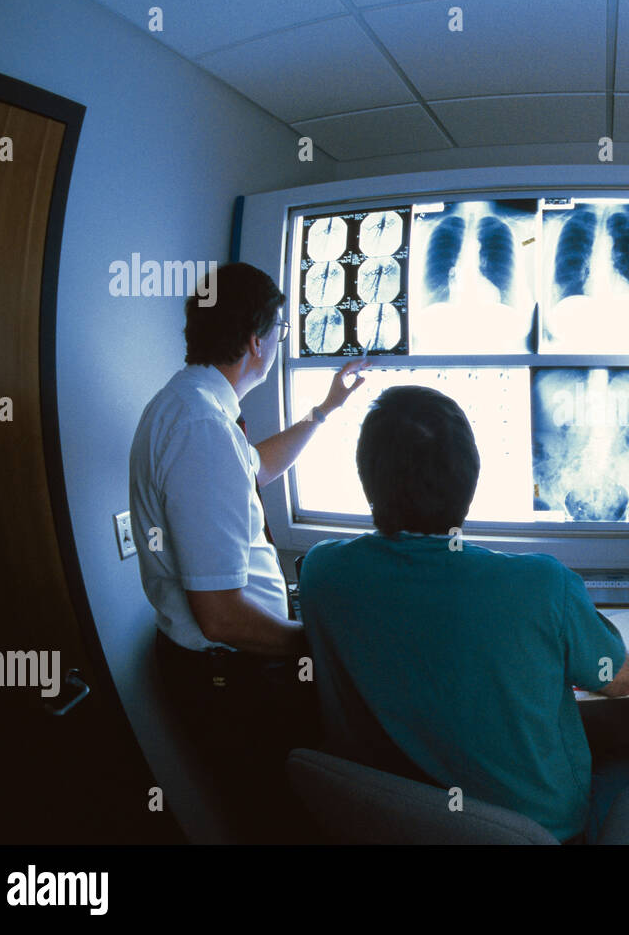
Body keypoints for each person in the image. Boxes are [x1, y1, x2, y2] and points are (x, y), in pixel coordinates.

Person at [298, 385, 629, 843]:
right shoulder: (542, 584)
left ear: (366, 479)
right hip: (539, 832)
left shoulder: (322, 571)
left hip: (396, 823)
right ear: (471, 481)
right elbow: (619, 680)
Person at [129, 262, 366, 840]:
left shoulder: (192, 408)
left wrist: (324, 411)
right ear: (257, 342)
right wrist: (313, 643)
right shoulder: (201, 429)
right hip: (232, 676)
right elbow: (220, 615)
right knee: (282, 820)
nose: (281, 344)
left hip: (224, 668)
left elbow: (254, 468)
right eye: (281, 333)